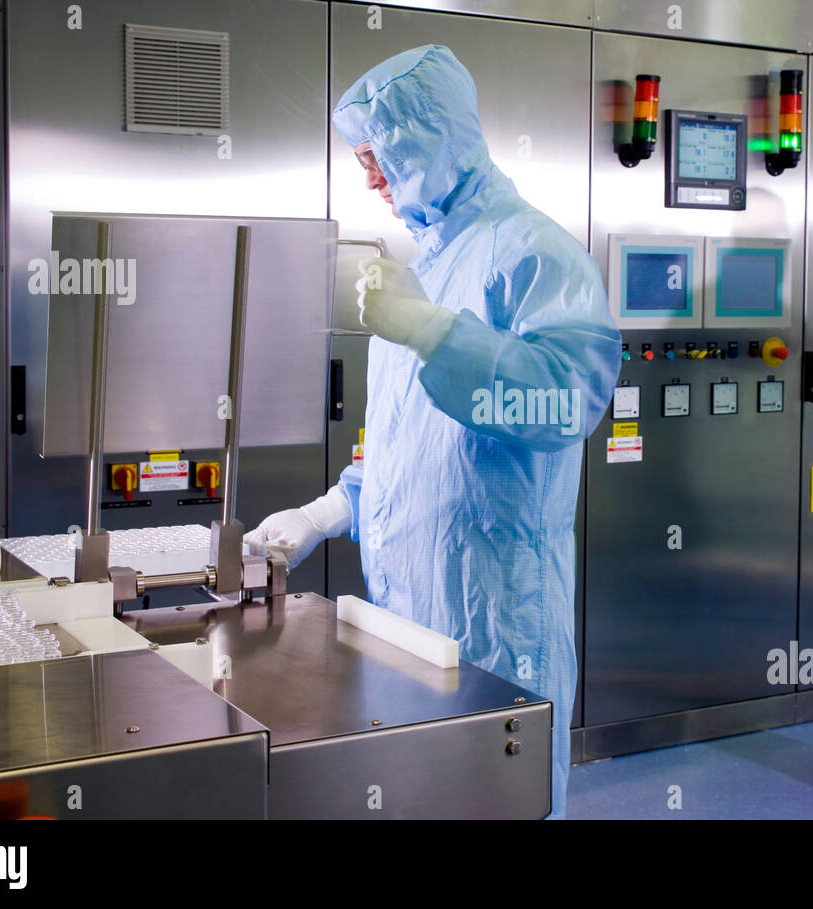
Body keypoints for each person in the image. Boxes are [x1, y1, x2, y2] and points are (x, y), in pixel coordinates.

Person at [245, 45, 622, 820]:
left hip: (497, 623)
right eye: (361, 164)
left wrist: (434, 332)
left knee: (498, 802)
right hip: (407, 623)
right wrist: (321, 515)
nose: (373, 180)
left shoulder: (535, 252)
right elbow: (401, 455)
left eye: (378, 157)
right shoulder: (421, 268)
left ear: (428, 139)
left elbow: (568, 403)